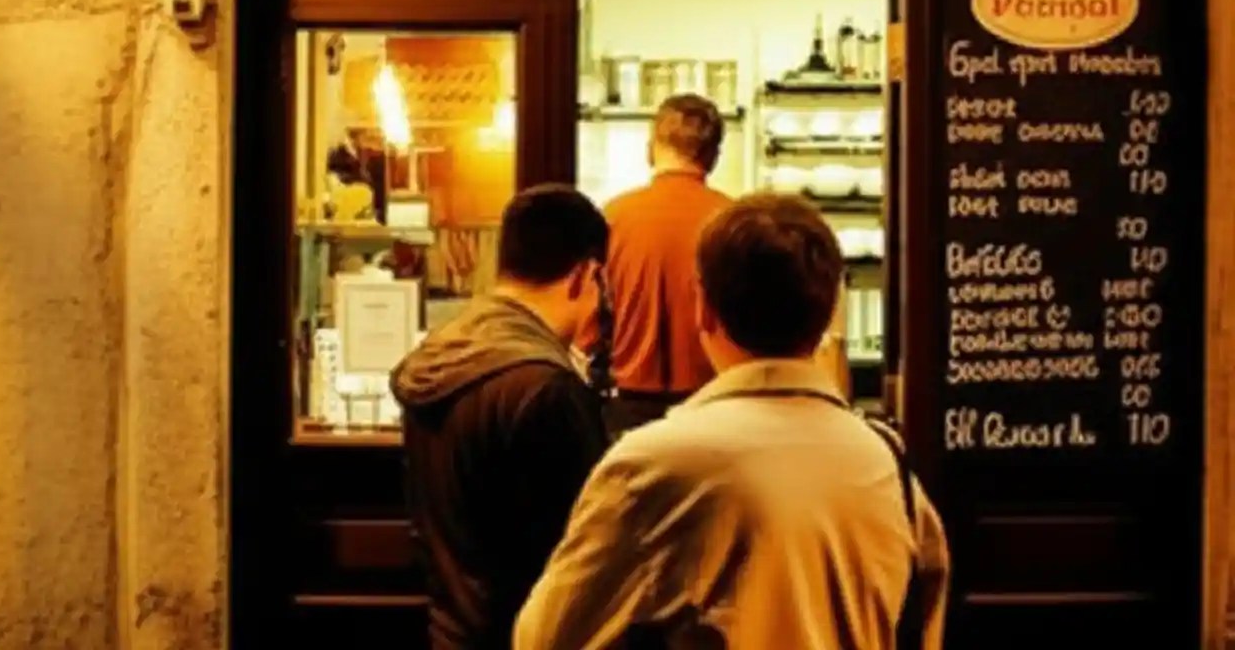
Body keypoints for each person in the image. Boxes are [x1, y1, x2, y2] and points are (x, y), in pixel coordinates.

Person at [515, 193, 950, 650]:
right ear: (828, 312)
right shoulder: (889, 466)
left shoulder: (651, 466)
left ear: (702, 308)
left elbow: (545, 635)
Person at [391, 184, 611, 650]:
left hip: (451, 632)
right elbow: (579, 554)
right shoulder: (545, 389)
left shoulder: (441, 358)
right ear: (585, 275)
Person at [579, 93, 733, 438]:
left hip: (629, 406)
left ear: (651, 148)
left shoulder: (614, 216)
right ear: (713, 156)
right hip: (713, 403)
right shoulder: (733, 221)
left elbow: (590, 319)